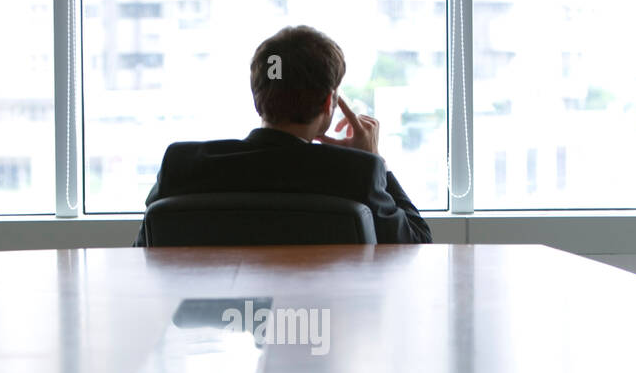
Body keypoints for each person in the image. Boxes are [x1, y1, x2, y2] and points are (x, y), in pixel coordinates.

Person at [133, 25, 432, 246]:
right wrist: (375, 160)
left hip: (211, 326)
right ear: (329, 103)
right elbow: (417, 244)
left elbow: (142, 255)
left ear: (256, 97)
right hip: (327, 324)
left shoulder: (181, 164)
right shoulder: (356, 174)